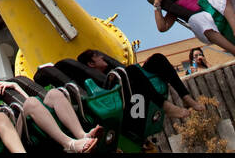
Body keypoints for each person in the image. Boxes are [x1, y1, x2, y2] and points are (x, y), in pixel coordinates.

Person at [0, 73, 99, 152]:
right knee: (27, 104)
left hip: (25, 126)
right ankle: (69, 144)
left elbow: (30, 102)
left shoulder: (1, 103)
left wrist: (16, 87)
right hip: (9, 140)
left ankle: (82, 135)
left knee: (53, 93)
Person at [77, 49, 212, 122]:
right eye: (97, 56)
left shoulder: (114, 69)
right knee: (130, 70)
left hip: (138, 88)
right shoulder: (99, 81)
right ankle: (165, 106)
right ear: (91, 64)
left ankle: (186, 97)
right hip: (130, 107)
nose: (102, 56)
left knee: (157, 58)